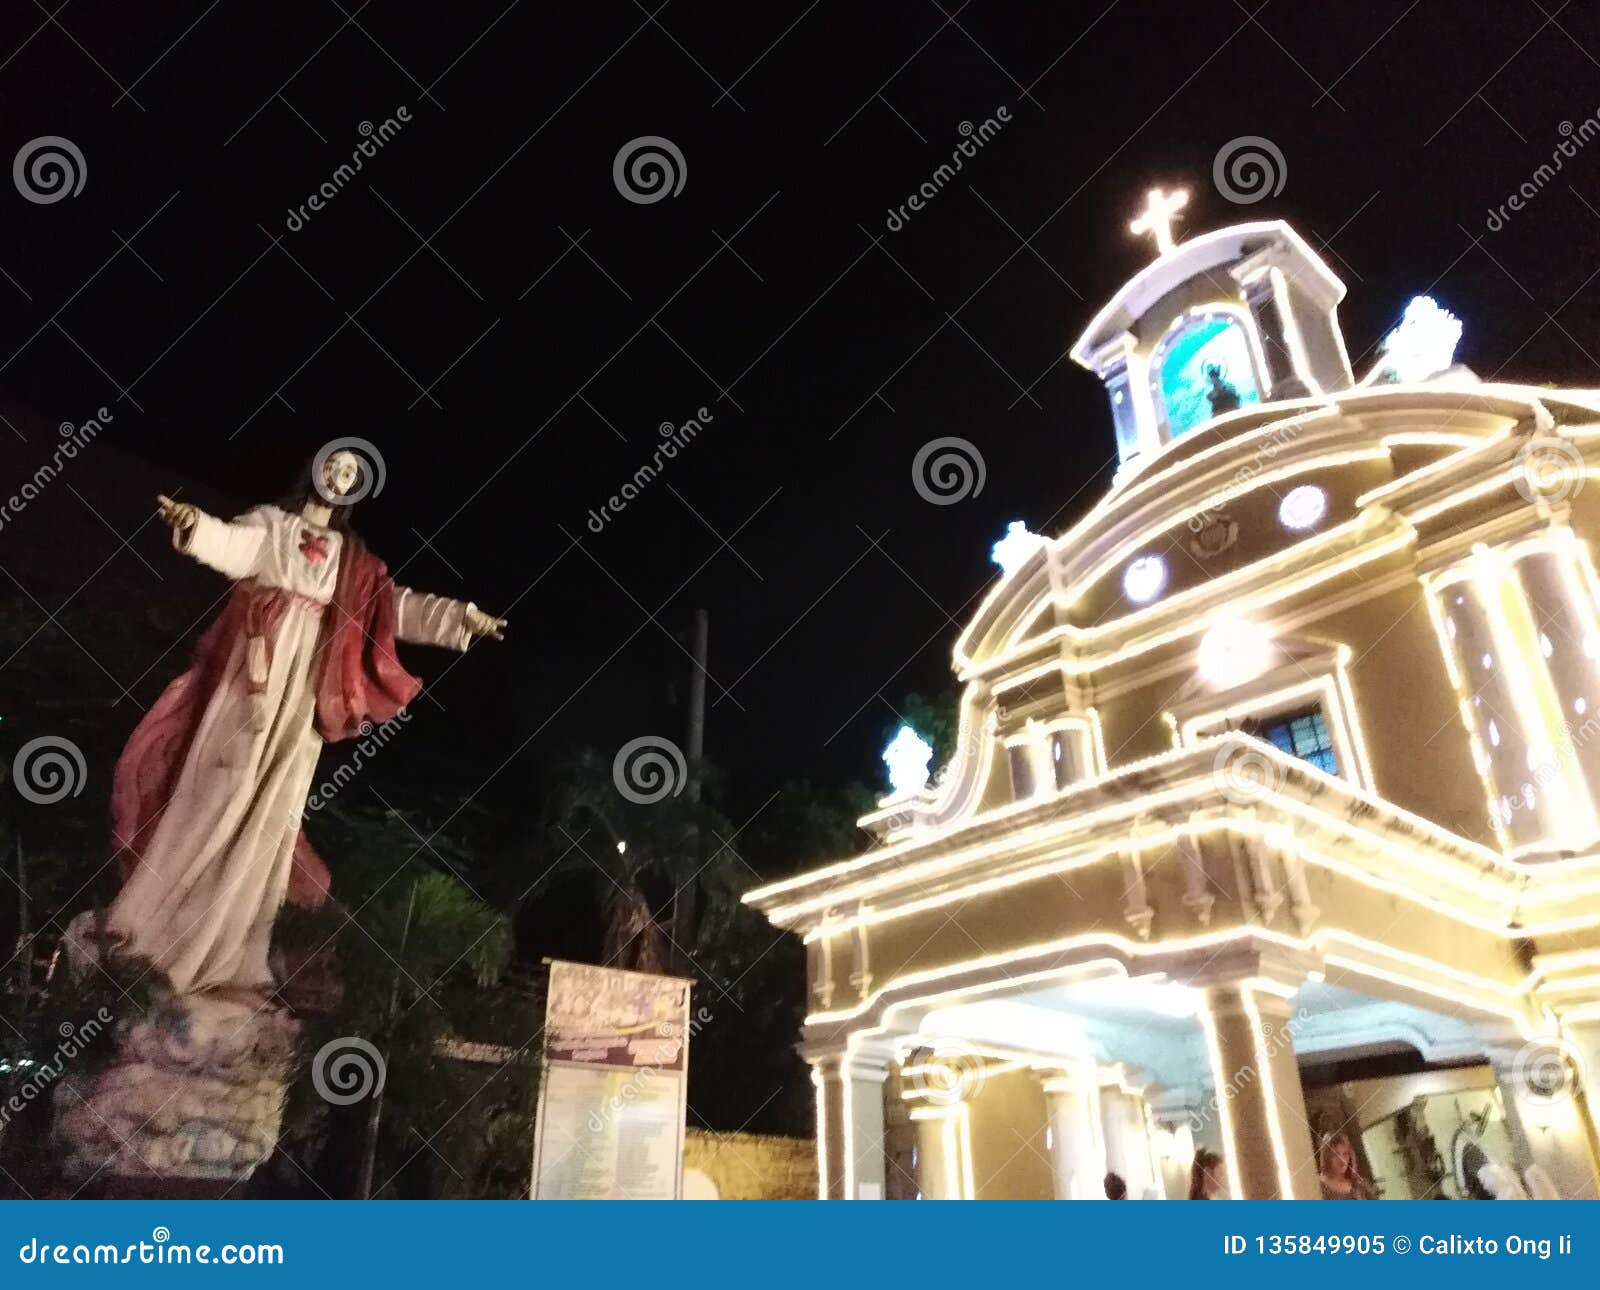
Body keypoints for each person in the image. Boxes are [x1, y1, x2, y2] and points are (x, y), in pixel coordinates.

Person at [105, 448, 508, 996]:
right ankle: (156, 927)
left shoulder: (354, 563)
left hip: (305, 693)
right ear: (314, 470)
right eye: (334, 467)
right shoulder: (272, 525)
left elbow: (396, 607)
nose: (339, 478)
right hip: (252, 681)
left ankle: (232, 949)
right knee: (218, 788)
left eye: (351, 475)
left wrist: (460, 618)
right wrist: (195, 524)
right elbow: (232, 544)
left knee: (275, 809)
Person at [1318, 1129, 1376, 1199]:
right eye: (1335, 1154)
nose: (1341, 1159)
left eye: (1345, 1154)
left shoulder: (1361, 1185)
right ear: (1326, 1156)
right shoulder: (1319, 1186)